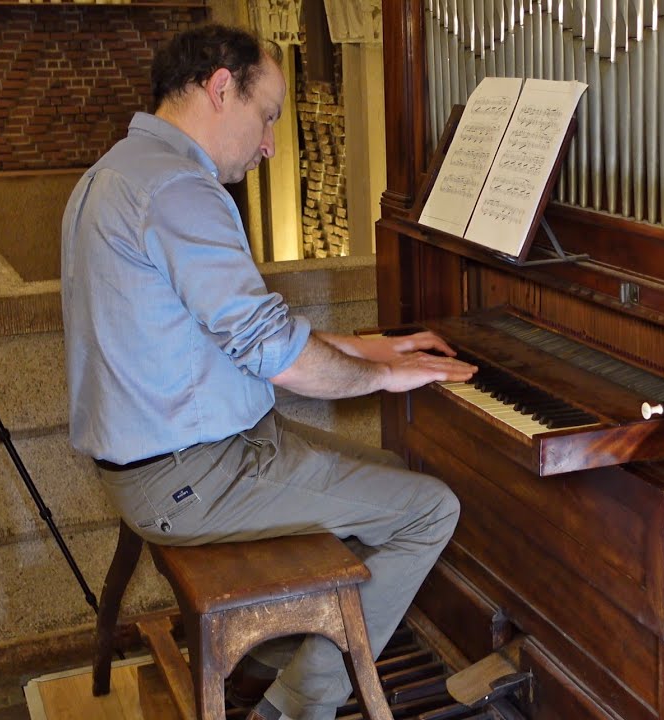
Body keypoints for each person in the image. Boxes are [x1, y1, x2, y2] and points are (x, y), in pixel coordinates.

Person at [60, 23, 477, 720]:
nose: (269, 144)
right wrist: (381, 378)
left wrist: (365, 347)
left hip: (184, 462)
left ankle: (265, 649)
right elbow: (271, 351)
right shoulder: (176, 188)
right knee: (430, 508)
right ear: (221, 87)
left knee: (384, 480)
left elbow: (229, 327)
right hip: (195, 477)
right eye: (269, 115)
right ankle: (298, 704)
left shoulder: (119, 171)